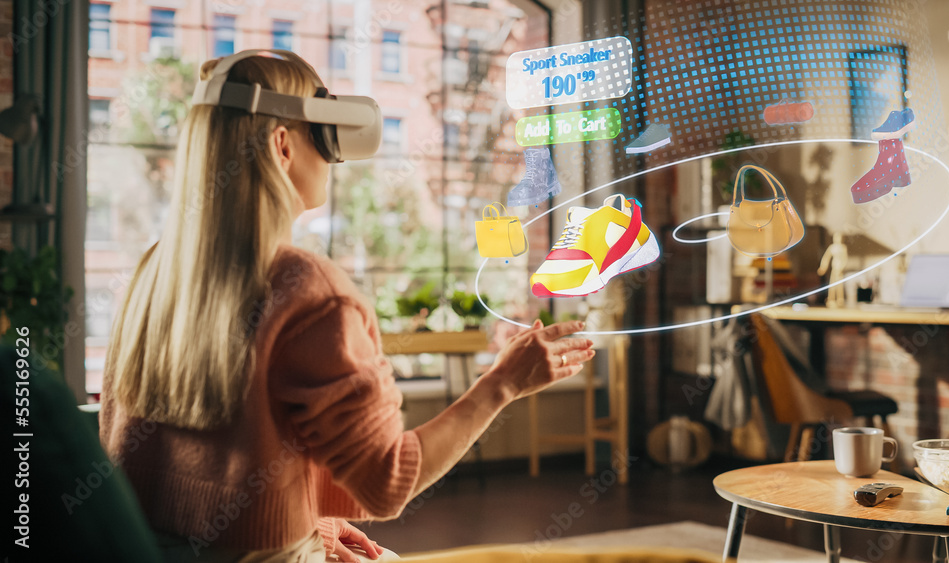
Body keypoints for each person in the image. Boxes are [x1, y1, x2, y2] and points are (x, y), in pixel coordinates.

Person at [99, 50, 594, 562]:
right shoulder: (306, 289)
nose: (333, 159)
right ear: (283, 146)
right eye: (323, 135)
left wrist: (310, 516)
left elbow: (209, 446)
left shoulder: (153, 270)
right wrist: (503, 383)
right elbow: (388, 482)